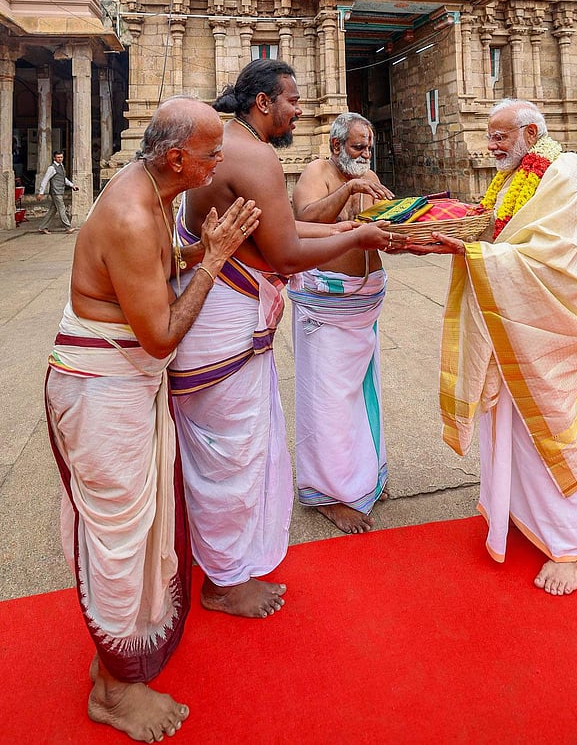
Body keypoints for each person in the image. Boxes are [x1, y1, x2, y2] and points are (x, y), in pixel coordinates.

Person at [44, 98, 260, 742]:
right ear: (177, 158)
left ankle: (118, 655)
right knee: (119, 530)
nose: (220, 162)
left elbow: (160, 272)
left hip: (123, 385)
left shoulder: (155, 193)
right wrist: (216, 259)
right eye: (212, 152)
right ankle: (112, 689)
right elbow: (162, 335)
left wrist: (200, 252)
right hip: (100, 390)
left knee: (141, 527)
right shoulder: (136, 212)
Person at [169, 61, 398, 619]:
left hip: (220, 310)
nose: (299, 110)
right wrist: (361, 231)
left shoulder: (233, 144)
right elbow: (285, 252)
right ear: (264, 103)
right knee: (235, 451)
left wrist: (349, 230)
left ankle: (221, 559)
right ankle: (223, 582)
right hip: (222, 318)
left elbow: (279, 230)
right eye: (293, 100)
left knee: (232, 447)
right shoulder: (256, 157)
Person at [420, 98, 577, 596]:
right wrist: (453, 237)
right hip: (507, 321)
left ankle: (571, 545)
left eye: (501, 137)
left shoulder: (564, 170)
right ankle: (517, 511)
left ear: (531, 132)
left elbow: (553, 257)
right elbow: (495, 228)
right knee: (505, 422)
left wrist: (476, 252)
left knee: (553, 423)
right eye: (491, 136)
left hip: (546, 324)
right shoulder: (508, 177)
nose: (492, 146)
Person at [290, 112, 395, 533]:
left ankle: (367, 473)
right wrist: (350, 186)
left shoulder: (366, 174)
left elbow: (380, 222)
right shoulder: (317, 172)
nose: (365, 154)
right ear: (336, 147)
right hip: (326, 307)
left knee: (359, 394)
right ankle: (328, 494)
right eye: (357, 147)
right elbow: (307, 220)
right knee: (328, 401)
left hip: (362, 304)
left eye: (368, 147)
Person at [37, 151, 79, 233]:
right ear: (54, 158)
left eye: (61, 157)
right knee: (61, 208)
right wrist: (41, 192)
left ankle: (43, 227)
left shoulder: (61, 166)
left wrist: (72, 185)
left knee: (53, 209)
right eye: (58, 157)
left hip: (60, 190)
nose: (60, 159)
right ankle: (68, 227)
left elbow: (63, 179)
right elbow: (45, 180)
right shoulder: (52, 168)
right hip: (55, 192)